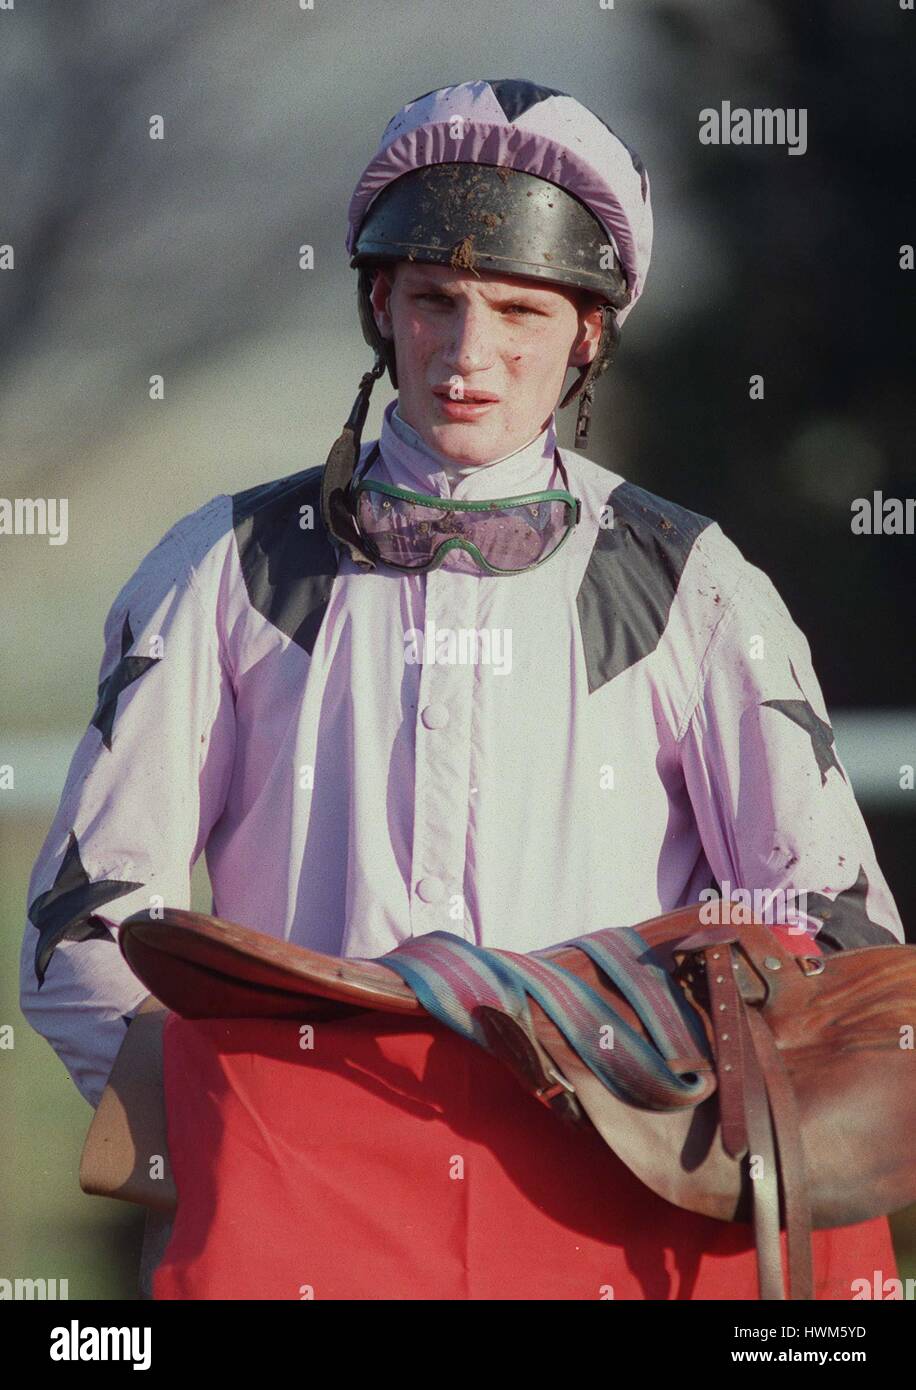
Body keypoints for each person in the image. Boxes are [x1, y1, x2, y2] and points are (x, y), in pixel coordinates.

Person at [20, 79, 904, 1300]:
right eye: (436, 300)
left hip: (619, 1190)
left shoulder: (696, 583)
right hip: (306, 1198)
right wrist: (226, 1133)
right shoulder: (219, 567)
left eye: (520, 309)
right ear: (381, 304)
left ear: (588, 329)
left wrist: (682, 1112)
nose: (470, 353)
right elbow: (89, 912)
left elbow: (834, 929)